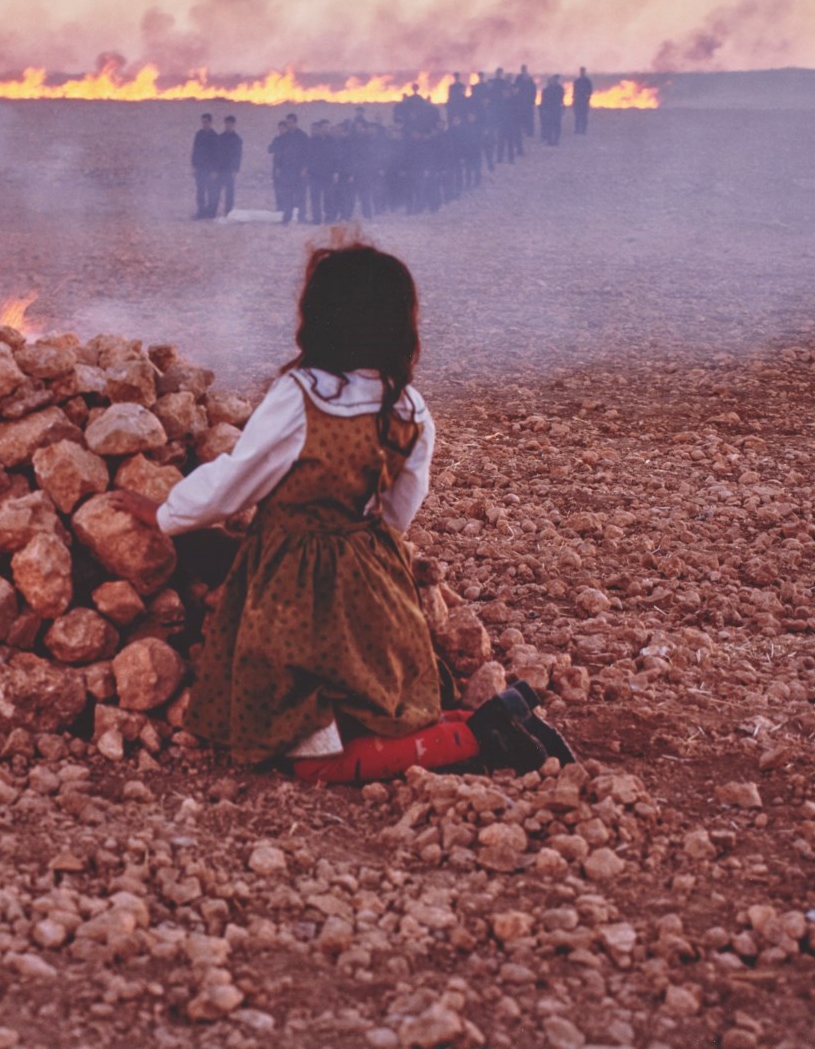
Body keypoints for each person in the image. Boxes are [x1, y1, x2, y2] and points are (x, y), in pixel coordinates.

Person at [109, 245, 574, 780]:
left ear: (320, 318)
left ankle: (472, 736)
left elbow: (234, 485)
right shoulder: (409, 407)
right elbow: (400, 511)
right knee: (379, 714)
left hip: (292, 593)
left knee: (310, 756)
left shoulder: (300, 396)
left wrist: (164, 512)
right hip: (377, 588)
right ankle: (490, 719)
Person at [267, 115, 309, 222]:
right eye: (287, 123)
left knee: (300, 196)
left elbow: (308, 153)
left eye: (290, 122)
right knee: (287, 195)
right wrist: (278, 167)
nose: (288, 125)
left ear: (295, 123)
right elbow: (279, 153)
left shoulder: (302, 136)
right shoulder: (284, 137)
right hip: (287, 170)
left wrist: (304, 167)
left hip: (299, 171)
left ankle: (301, 217)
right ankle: (287, 217)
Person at [190, 113, 223, 219]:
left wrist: (215, 170)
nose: (204, 124)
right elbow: (195, 150)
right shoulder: (199, 134)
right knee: (200, 191)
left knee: (211, 191)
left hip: (210, 169)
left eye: (206, 122)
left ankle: (210, 212)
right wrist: (194, 166)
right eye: (203, 122)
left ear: (210, 122)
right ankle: (201, 212)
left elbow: (218, 154)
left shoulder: (215, 136)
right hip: (200, 167)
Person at [216, 115, 244, 215]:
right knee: (216, 190)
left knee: (229, 192)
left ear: (233, 124)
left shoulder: (237, 139)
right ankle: (213, 210)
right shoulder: (220, 137)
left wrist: (235, 169)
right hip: (220, 168)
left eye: (230, 123)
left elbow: (238, 155)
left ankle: (228, 211)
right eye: (227, 123)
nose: (228, 125)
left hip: (230, 169)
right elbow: (216, 154)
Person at [539, 75, 566, 146]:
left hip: (556, 109)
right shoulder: (546, 91)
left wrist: (563, 108)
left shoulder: (560, 89)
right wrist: (543, 110)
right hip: (549, 109)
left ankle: (556, 140)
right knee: (549, 126)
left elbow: (562, 99)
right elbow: (543, 101)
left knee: (557, 126)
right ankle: (550, 140)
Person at [513, 65, 537, 138]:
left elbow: (533, 90)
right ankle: (522, 131)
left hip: (528, 102)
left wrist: (532, 99)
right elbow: (515, 88)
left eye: (524, 69)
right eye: (522, 69)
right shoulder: (519, 78)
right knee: (521, 117)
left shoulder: (529, 78)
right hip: (521, 102)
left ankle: (530, 132)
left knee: (529, 118)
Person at [572, 66, 594, 136]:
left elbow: (590, 91)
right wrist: (574, 99)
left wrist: (587, 98)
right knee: (577, 116)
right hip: (578, 101)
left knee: (584, 116)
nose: (582, 72)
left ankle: (583, 130)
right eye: (581, 71)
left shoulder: (587, 81)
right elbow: (574, 91)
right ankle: (577, 129)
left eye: (583, 71)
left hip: (584, 101)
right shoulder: (577, 81)